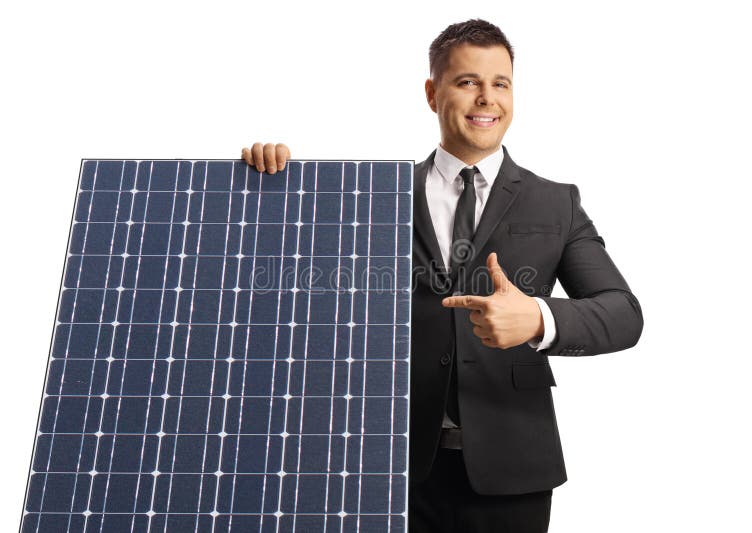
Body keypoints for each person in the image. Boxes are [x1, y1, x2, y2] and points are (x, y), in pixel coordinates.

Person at [242, 18, 643, 533]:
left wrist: (539, 318)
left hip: (512, 467)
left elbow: (622, 313)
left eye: (500, 83)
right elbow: (292, 290)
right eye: (467, 81)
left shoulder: (557, 201)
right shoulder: (373, 196)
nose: (487, 99)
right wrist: (265, 188)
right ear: (432, 93)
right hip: (387, 464)